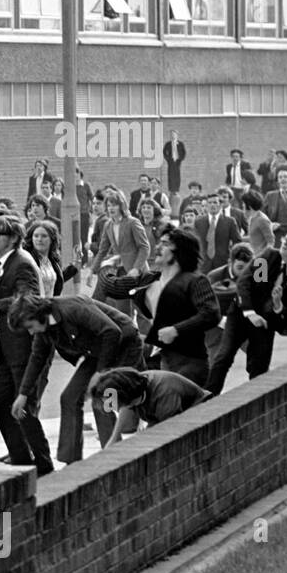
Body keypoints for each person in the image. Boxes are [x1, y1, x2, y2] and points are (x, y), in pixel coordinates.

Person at [10, 294, 144, 466]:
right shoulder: (45, 327)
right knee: (70, 397)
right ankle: (71, 460)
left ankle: (114, 455)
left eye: (30, 326)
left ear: (36, 314)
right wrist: (23, 394)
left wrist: (101, 373)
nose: (31, 331)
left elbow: (112, 331)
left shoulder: (72, 308)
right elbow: (37, 359)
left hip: (124, 343)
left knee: (102, 396)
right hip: (98, 350)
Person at [0, 215, 52, 473]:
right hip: (7, 344)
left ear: (14, 238)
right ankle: (20, 454)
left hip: (23, 344)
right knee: (1, 403)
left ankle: (42, 463)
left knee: (24, 407)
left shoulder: (22, 263)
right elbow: (6, 301)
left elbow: (27, 298)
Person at [101, 229, 219, 387]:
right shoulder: (149, 280)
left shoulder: (195, 281)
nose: (157, 247)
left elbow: (211, 313)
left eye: (165, 244)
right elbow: (111, 287)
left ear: (178, 252)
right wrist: (107, 266)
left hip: (190, 363)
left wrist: (176, 330)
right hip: (163, 360)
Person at [206, 231, 287, 393]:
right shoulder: (268, 257)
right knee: (223, 357)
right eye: (285, 239)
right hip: (241, 315)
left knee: (259, 368)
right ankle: (208, 397)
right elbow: (246, 284)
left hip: (265, 324)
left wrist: (278, 306)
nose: (285, 242)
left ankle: (254, 401)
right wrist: (251, 313)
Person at [92, 368, 211, 445]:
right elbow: (125, 409)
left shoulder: (164, 394)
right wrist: (113, 439)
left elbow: (169, 431)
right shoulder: (134, 384)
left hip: (199, 416)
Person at [92, 188, 149, 317]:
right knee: (122, 310)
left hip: (136, 271)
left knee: (143, 310)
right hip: (120, 271)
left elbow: (144, 247)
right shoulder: (108, 225)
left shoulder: (132, 222)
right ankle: (128, 335)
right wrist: (92, 270)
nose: (111, 208)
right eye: (109, 205)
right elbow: (102, 250)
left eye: (114, 205)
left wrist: (136, 268)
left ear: (121, 205)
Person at [194, 193, 242, 273]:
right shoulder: (198, 222)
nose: (212, 205)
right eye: (210, 203)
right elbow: (194, 243)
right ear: (206, 205)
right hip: (203, 265)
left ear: (220, 205)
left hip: (222, 264)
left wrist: (233, 259)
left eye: (215, 202)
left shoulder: (229, 221)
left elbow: (237, 242)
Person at [240, 190, 274, 257]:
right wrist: (238, 238)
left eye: (243, 203)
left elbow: (270, 242)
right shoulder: (252, 218)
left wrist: (263, 257)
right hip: (253, 256)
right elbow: (254, 237)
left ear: (249, 206)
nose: (242, 205)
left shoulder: (262, 219)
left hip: (261, 260)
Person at [161, 130, 186, 213]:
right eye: (172, 134)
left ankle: (176, 189)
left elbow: (183, 152)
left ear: (177, 135)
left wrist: (180, 159)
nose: (173, 136)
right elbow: (164, 152)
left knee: (177, 175)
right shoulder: (168, 144)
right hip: (171, 162)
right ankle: (172, 189)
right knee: (171, 175)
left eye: (174, 134)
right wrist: (168, 159)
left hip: (177, 162)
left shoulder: (180, 144)